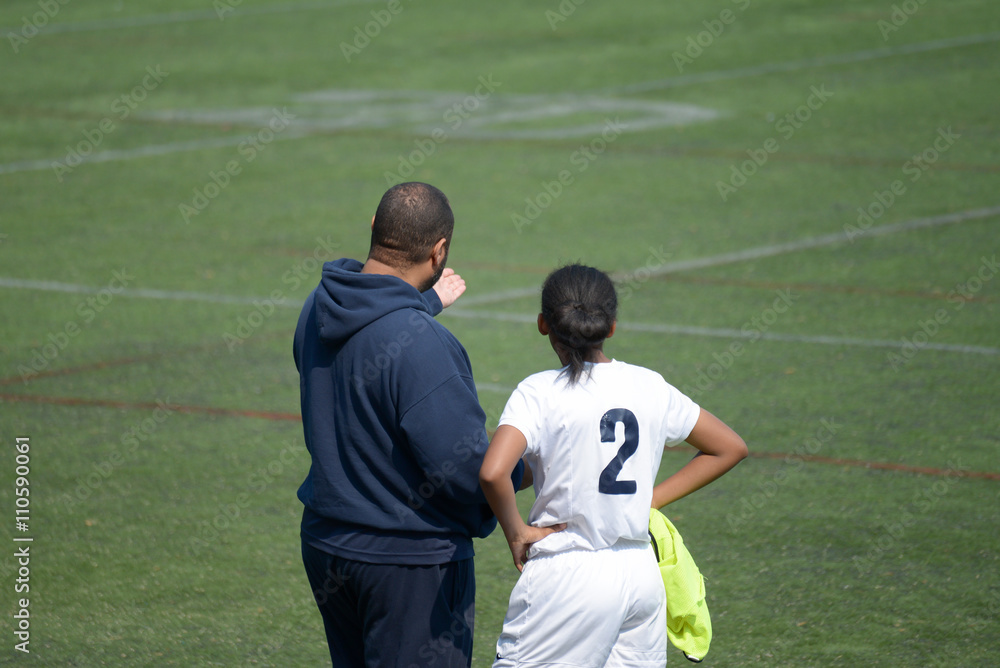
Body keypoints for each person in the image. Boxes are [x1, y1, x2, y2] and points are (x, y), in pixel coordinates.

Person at [294, 182, 523, 667]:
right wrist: (528, 467)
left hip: (327, 546)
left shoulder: (318, 308)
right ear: (439, 252)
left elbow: (370, 339)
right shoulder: (423, 344)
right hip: (407, 564)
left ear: (375, 228)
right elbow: (465, 470)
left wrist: (424, 305)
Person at [480, 264, 748, 668]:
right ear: (611, 327)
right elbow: (730, 447)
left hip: (568, 575)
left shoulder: (537, 392)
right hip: (640, 576)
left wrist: (516, 531)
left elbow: (493, 471)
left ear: (542, 324)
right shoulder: (650, 385)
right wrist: (648, 501)